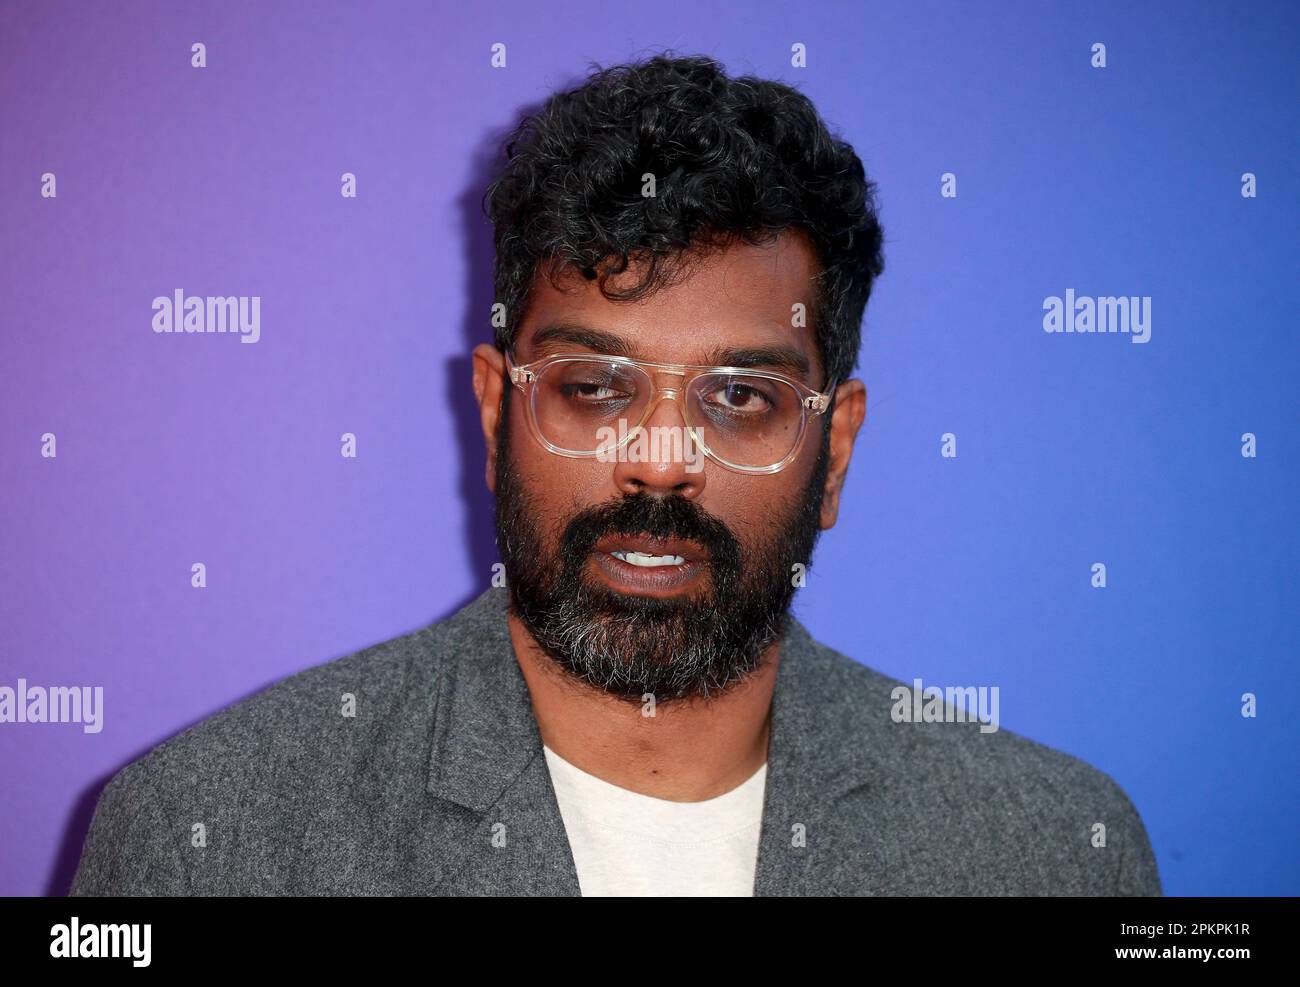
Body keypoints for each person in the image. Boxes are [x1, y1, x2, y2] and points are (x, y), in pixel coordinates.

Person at [71, 53, 1160, 897]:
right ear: (497, 411)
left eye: (740, 397)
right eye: (595, 387)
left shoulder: (1055, 847)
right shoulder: (210, 837)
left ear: (836, 449)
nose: (659, 462)